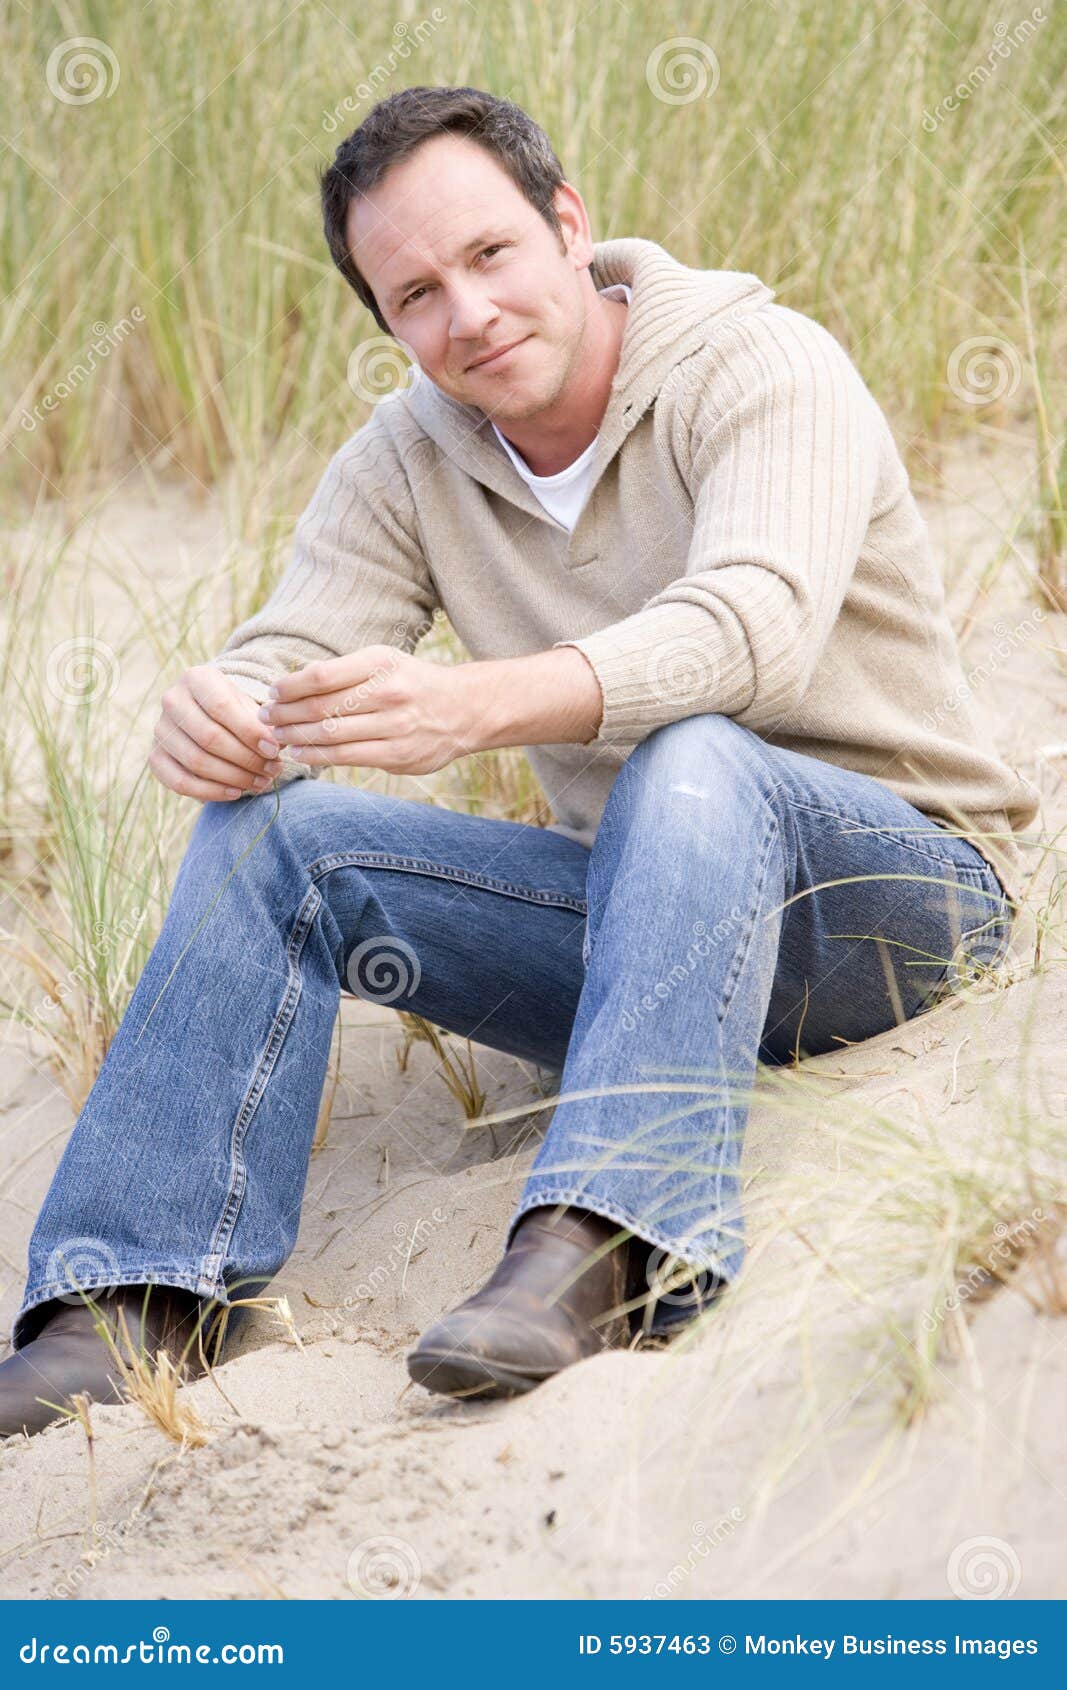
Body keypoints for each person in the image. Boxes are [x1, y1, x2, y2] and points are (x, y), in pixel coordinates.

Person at [1, 85, 1039, 1437]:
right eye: (417, 293)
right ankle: (133, 1298)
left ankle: (609, 1243)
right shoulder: (406, 459)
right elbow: (292, 644)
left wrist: (474, 705)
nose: (469, 314)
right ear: (389, 322)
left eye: (490, 256)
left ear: (567, 224)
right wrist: (224, 706)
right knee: (277, 835)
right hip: (649, 938)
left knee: (697, 752)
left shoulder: (763, 365)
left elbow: (754, 632)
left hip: (898, 911)